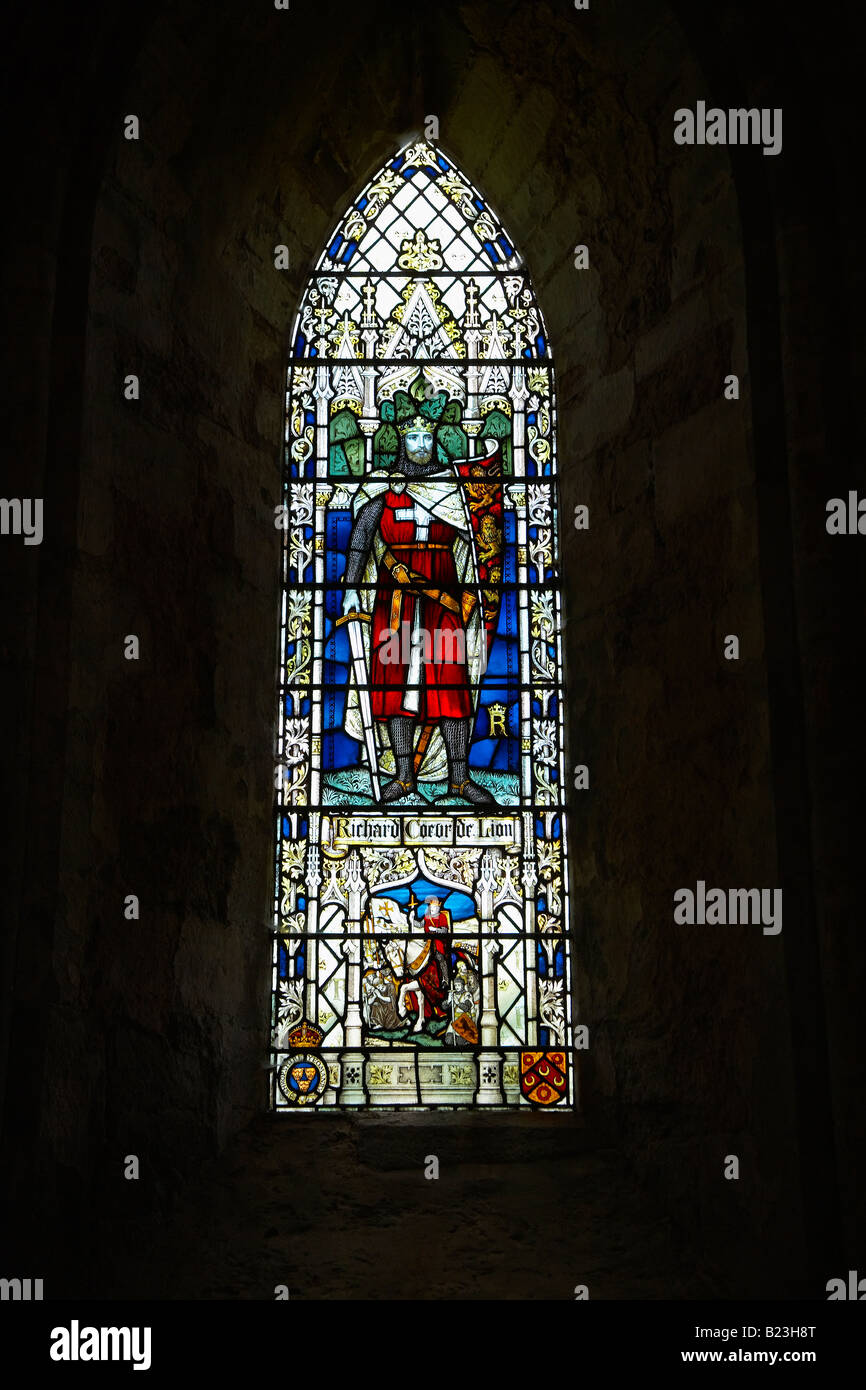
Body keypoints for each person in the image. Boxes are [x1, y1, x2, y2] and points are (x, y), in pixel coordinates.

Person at [342, 414, 495, 804]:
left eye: (428, 436)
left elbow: (478, 533)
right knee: (396, 686)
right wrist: (350, 588)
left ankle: (459, 778)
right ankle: (404, 774)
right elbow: (362, 535)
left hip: (444, 593)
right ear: (402, 442)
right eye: (414, 437)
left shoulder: (451, 488)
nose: (422, 444)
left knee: (451, 685)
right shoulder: (385, 487)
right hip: (396, 599)